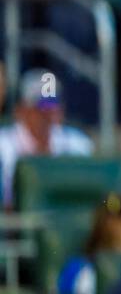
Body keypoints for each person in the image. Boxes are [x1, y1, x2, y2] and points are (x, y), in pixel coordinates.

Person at [0, 71, 94, 208]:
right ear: (21, 110)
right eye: (41, 108)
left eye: (53, 108)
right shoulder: (3, 143)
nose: (48, 116)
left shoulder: (78, 143)